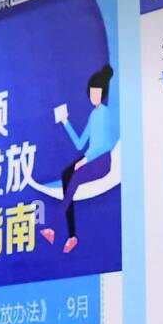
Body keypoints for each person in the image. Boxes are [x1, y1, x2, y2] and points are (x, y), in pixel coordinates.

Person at [42, 63, 117, 254]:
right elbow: (79, 143)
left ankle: (53, 227)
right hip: (90, 158)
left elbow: (106, 145)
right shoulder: (93, 115)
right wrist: (66, 121)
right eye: (91, 92)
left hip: (101, 161)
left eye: (96, 92)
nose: (93, 96)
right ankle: (71, 235)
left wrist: (86, 160)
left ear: (103, 93)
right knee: (66, 176)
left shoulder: (105, 114)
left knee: (73, 180)